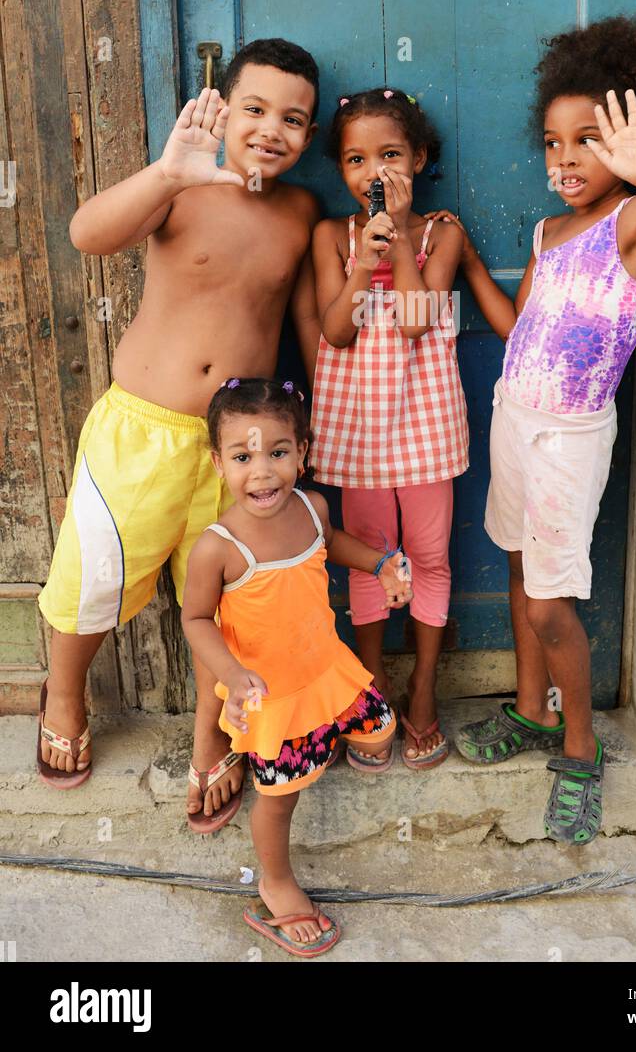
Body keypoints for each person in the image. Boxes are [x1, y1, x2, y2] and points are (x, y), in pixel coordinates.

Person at [435, 18, 636, 843]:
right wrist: (472, 268)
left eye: (589, 140)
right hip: (514, 414)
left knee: (549, 605)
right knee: (516, 570)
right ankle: (534, 712)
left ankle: (580, 750)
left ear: (631, 138)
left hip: (569, 439)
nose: (565, 159)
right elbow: (522, 328)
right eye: (553, 142)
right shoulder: (548, 232)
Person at [37, 38, 324, 836]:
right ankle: (64, 696)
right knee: (92, 576)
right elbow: (87, 234)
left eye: (294, 119)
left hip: (241, 452)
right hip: (144, 431)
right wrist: (168, 170)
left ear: (309, 135)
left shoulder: (302, 215)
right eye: (255, 109)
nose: (272, 129)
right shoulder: (183, 185)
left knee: (232, 603)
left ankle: (211, 742)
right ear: (221, 109)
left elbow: (301, 329)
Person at [182, 377, 410, 957]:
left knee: (382, 735)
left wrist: (380, 564)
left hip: (328, 669)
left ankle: (334, 734)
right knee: (279, 795)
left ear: (303, 453)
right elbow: (195, 621)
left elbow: (332, 543)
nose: (262, 472)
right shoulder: (219, 547)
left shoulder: (313, 508)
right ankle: (275, 880)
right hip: (273, 699)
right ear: (218, 463)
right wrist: (233, 676)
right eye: (242, 457)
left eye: (278, 452)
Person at [309, 88, 468, 768]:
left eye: (391, 156)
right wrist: (363, 260)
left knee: (428, 558)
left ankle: (424, 689)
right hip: (359, 434)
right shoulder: (330, 236)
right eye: (356, 159)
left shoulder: (444, 232)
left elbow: (413, 321)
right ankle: (370, 685)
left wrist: (399, 238)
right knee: (370, 562)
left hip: (425, 427)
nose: (373, 172)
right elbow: (338, 331)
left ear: (420, 159)